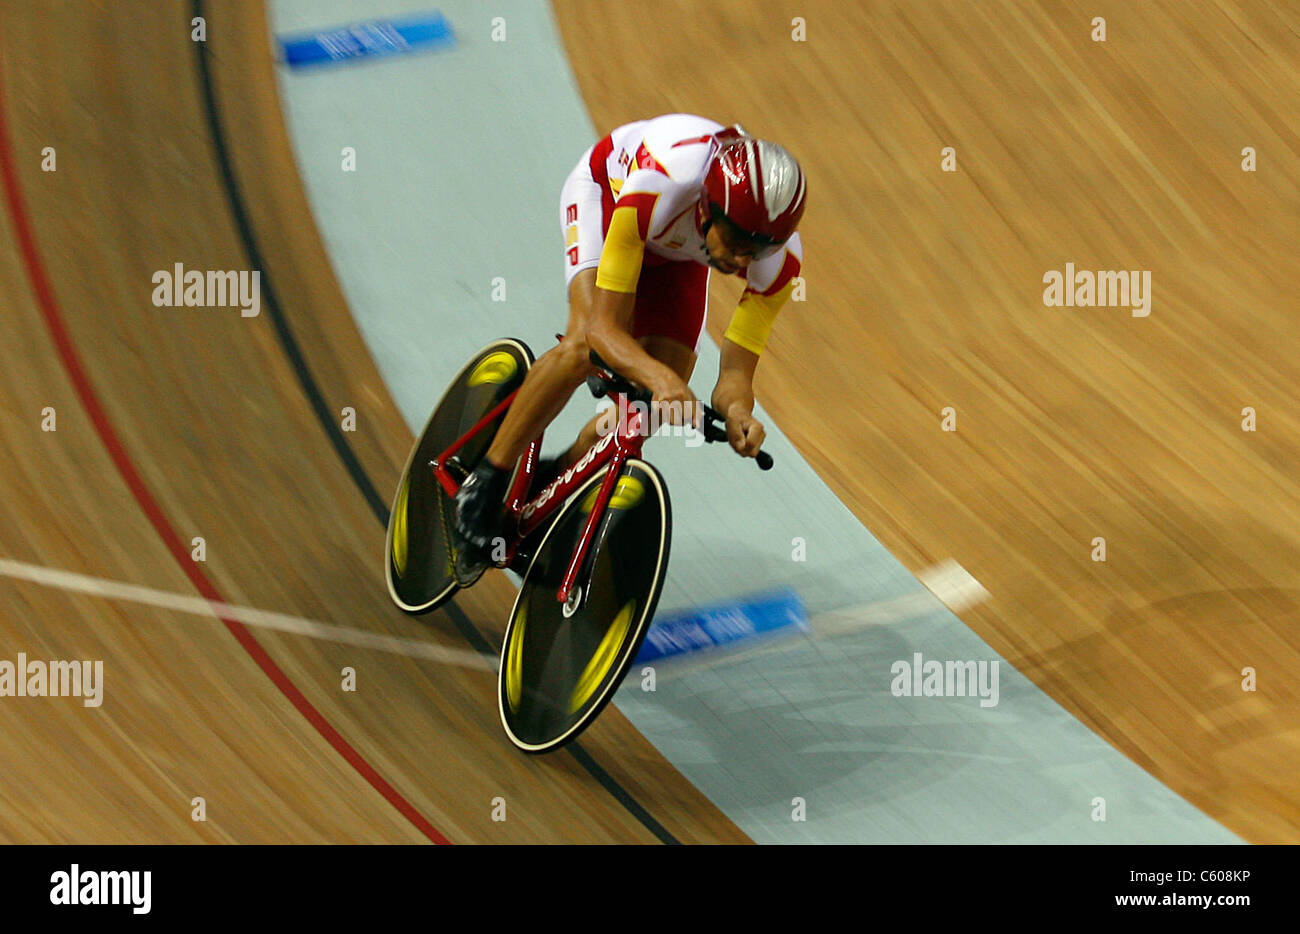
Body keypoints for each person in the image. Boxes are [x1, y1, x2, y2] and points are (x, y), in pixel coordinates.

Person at [453, 113, 806, 575]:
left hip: (679, 251)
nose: (743, 258)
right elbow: (604, 330)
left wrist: (739, 413)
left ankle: (557, 486)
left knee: (649, 410)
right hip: (608, 197)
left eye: (756, 250)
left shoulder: (778, 264)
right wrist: (657, 376)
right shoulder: (665, 183)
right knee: (584, 345)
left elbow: (736, 373)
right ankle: (485, 481)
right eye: (738, 241)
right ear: (708, 206)